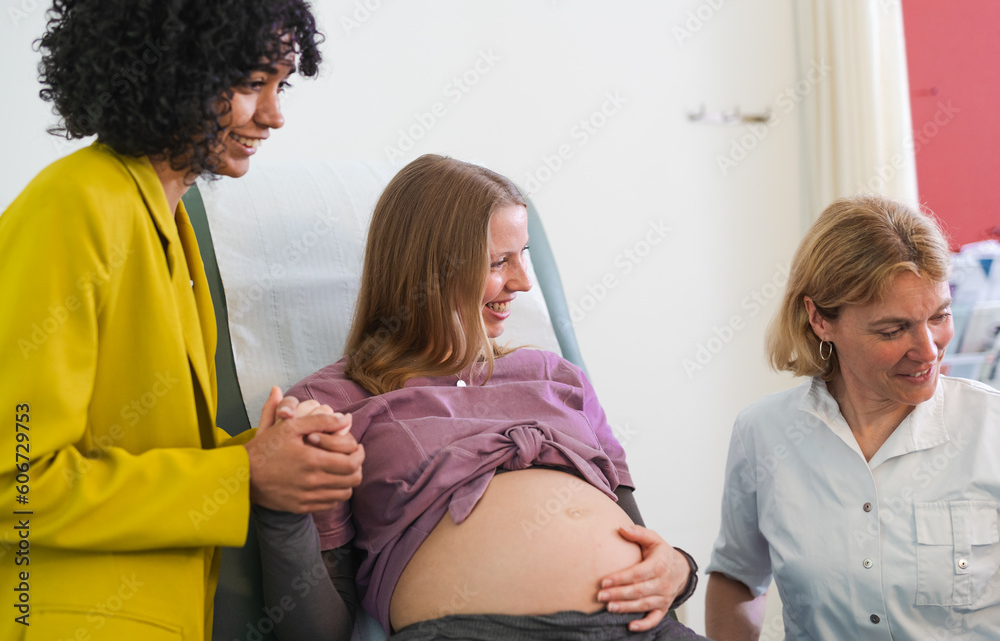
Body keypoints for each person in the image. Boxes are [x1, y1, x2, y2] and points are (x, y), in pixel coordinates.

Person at [0, 0, 363, 639]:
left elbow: (139, 450)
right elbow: (13, 483)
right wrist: (244, 472)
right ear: (175, 70)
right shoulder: (76, 204)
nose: (273, 115)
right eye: (253, 81)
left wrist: (276, 449)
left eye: (282, 85)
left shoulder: (172, 228)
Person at [253, 154, 705, 640]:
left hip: (639, 628)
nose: (523, 282)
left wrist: (681, 570)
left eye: (523, 255)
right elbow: (316, 633)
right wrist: (279, 510)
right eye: (498, 262)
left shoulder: (557, 377)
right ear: (425, 270)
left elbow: (641, 537)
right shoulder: (331, 406)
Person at [704, 196, 1000, 640]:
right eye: (892, 329)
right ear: (820, 319)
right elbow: (737, 578)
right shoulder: (763, 435)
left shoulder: (990, 429)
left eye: (940, 316)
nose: (928, 349)